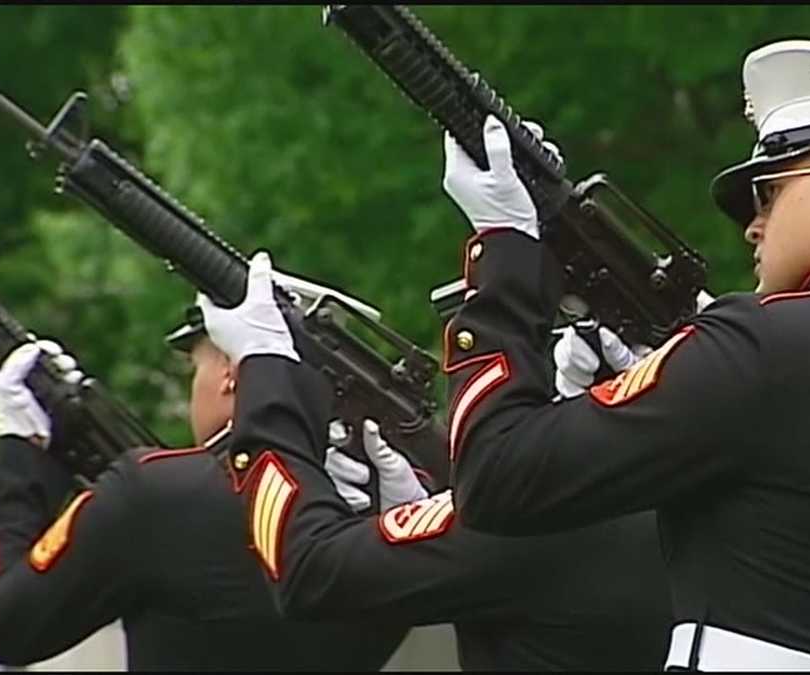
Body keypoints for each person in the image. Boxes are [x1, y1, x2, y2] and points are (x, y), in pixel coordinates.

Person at [435, 39, 810, 671]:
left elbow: (497, 476)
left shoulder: (762, 343)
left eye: (769, 195)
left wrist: (505, 255)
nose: (754, 226)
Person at [197, 253, 674, 670]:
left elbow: (310, 568)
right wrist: (420, 511)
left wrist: (266, 376)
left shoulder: (529, 520)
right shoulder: (672, 497)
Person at [0, 266, 408, 670]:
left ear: (231, 372)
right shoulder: (385, 510)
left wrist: (21, 451)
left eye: (195, 366)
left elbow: (5, 625)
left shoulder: (153, 494)